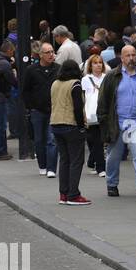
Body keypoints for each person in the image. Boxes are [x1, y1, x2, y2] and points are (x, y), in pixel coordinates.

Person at [97, 43, 136, 199]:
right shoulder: (112, 76)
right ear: (121, 58)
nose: (131, 58)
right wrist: (103, 120)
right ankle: (112, 184)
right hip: (117, 122)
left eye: (133, 55)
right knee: (114, 156)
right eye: (127, 55)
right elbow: (103, 100)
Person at [50, 59, 88, 206]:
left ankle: (63, 194)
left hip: (55, 124)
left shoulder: (55, 84)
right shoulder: (75, 85)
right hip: (71, 125)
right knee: (76, 160)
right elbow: (77, 108)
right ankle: (73, 194)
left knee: (64, 160)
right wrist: (81, 127)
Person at [20, 42, 59, 177]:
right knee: (39, 139)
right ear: (41, 55)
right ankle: (42, 165)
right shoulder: (32, 70)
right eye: (47, 52)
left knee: (51, 139)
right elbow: (25, 91)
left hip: (54, 110)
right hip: (37, 110)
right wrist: (31, 106)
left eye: (52, 52)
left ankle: (51, 168)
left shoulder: (58, 69)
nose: (51, 55)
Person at [80, 53, 107, 177]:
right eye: (95, 63)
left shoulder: (106, 77)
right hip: (91, 113)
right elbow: (84, 98)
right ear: (90, 66)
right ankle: (96, 163)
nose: (98, 65)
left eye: (100, 62)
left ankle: (100, 166)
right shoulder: (86, 79)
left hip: (104, 112)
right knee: (92, 139)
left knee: (99, 141)